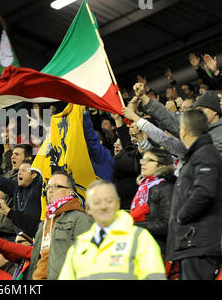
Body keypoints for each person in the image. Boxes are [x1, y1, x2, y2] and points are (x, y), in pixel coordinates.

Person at [0, 170, 93, 280]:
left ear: (70, 192)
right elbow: (36, 259)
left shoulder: (80, 219)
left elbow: (89, 261)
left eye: (56, 186)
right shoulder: (45, 224)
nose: (50, 191)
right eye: (48, 187)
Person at [59, 180, 166, 280]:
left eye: (109, 201)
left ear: (118, 204)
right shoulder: (79, 246)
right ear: (88, 208)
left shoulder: (140, 238)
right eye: (97, 202)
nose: (103, 206)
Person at [166, 109, 222, 280]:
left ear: (183, 131)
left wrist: (181, 217)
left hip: (199, 242)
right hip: (193, 242)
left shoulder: (205, 154)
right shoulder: (198, 155)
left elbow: (204, 192)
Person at [130, 148, 175, 255]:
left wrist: (134, 226)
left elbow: (166, 224)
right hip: (142, 244)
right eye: (143, 159)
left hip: (157, 248)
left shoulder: (166, 188)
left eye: (149, 160)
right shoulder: (144, 187)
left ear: (162, 166)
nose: (143, 163)